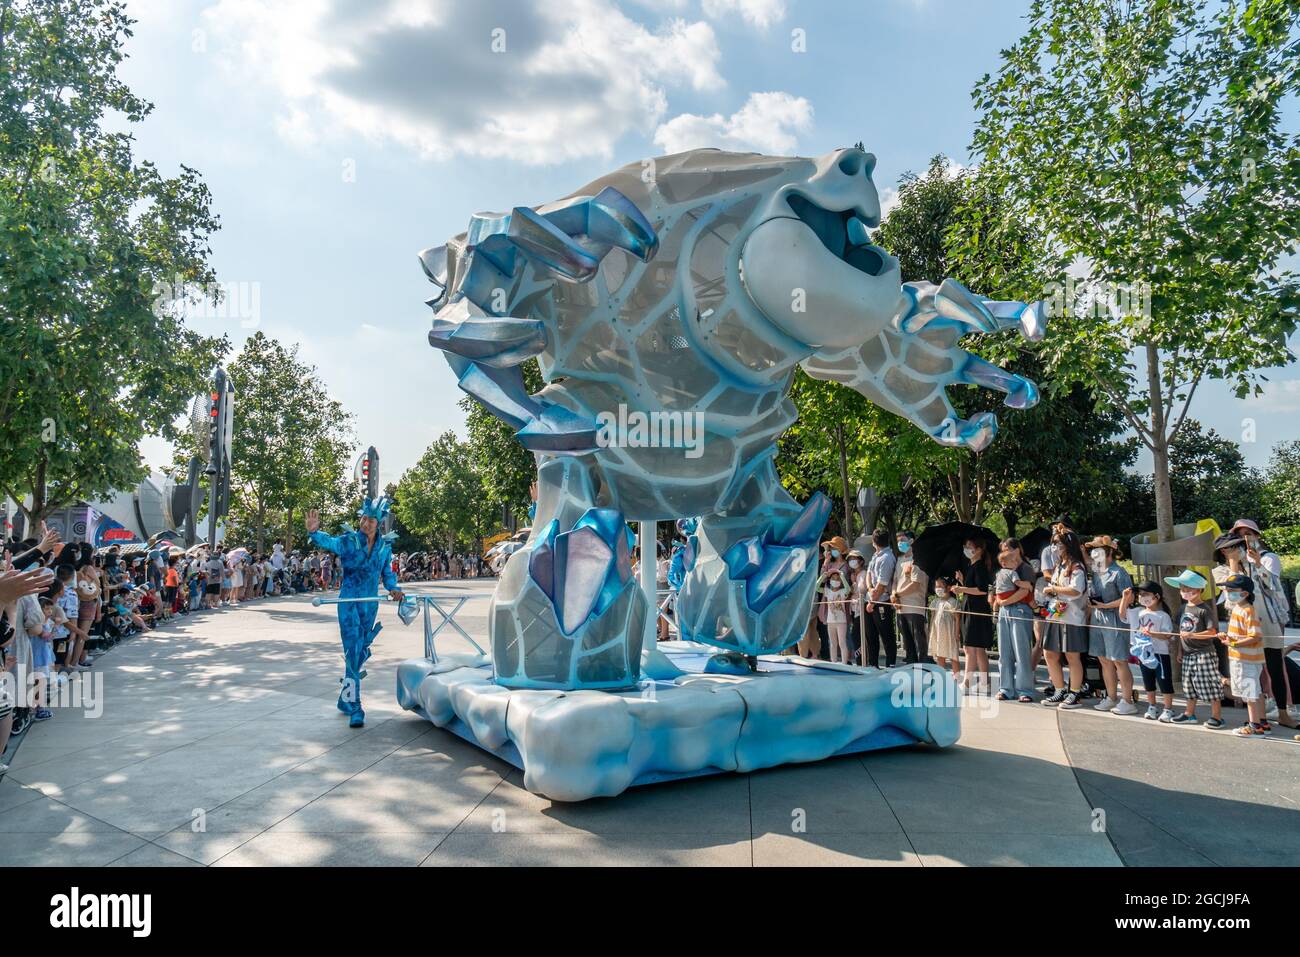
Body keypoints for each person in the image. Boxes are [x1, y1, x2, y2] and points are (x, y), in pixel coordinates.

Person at [306, 496, 404, 728]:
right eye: (363, 518)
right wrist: (314, 533)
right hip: (349, 602)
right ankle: (356, 705)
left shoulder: (384, 547)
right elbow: (331, 543)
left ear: (379, 523)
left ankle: (344, 698)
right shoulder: (349, 541)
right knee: (353, 649)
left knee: (360, 653)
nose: (365, 523)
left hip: (369, 604)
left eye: (371, 519)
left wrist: (394, 588)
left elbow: (387, 574)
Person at [1226, 520, 1296, 729]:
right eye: (1241, 536)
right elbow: (1231, 598)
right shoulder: (1235, 562)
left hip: (1268, 620)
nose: (1246, 539)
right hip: (1245, 621)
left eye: (1249, 534)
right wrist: (1233, 564)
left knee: (1275, 667)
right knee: (1250, 668)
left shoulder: (1268, 558)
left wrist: (1257, 564)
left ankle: (1283, 712)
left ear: (1258, 535)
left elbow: (1274, 586)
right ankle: (1257, 717)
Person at [1162, 570, 1223, 728]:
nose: (1186, 592)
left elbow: (1212, 632)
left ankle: (1216, 716)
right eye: (1183, 589)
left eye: (1190, 589)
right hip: (1188, 654)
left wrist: (1193, 635)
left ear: (1199, 590)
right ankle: (1189, 714)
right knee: (1188, 686)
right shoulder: (1183, 609)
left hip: (1204, 654)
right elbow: (1181, 634)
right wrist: (1180, 651)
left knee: (1210, 685)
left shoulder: (1204, 609)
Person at [1040, 531, 1090, 709]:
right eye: (1054, 543)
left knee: (1072, 656)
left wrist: (1053, 588)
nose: (1055, 547)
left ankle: (1074, 692)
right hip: (1055, 613)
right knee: (1049, 653)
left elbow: (1076, 590)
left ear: (1068, 546)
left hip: (1072, 616)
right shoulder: (1059, 566)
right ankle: (1059, 689)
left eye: (1058, 544)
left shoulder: (1077, 567)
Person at [1085, 535, 1134, 713]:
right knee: (1103, 659)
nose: (1093, 554)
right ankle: (1111, 697)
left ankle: (1127, 700)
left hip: (1115, 618)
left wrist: (1106, 605)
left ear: (1108, 553)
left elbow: (1129, 597)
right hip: (1098, 617)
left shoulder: (1118, 572)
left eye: (1097, 550)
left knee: (1119, 660)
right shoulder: (1096, 573)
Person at [1220, 573, 1268, 736]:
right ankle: (1262, 722)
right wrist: (1228, 637)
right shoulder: (1238, 608)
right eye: (1227, 590)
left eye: (1232, 590)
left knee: (1249, 693)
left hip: (1245, 660)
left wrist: (1233, 643)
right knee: (1255, 691)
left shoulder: (1247, 610)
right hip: (1243, 658)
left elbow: (1255, 636)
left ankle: (1254, 726)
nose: (1228, 593)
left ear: (1245, 593)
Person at [992, 538, 1036, 702]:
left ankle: (1025, 690)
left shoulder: (1025, 568)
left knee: (1022, 652)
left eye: (1006, 549)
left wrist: (1004, 602)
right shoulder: (1003, 570)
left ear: (1016, 550)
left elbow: (1025, 592)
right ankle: (1006, 688)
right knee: (1004, 652)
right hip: (1004, 611)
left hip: (1020, 610)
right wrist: (998, 604)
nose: (1003, 553)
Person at [953, 536, 994, 693]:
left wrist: (962, 589)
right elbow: (973, 587)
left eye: (969, 546)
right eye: (965, 545)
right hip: (971, 607)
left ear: (978, 550)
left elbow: (982, 590)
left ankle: (967, 683)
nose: (966, 549)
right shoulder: (972, 566)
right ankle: (985, 683)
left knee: (970, 647)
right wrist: (963, 581)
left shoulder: (980, 567)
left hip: (977, 611)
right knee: (977, 649)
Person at [890, 530, 929, 664]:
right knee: (907, 640)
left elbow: (915, 584)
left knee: (918, 638)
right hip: (901, 607)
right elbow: (895, 580)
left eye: (903, 540)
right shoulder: (900, 560)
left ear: (911, 541)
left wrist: (897, 594)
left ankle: (922, 663)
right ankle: (911, 662)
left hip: (914, 606)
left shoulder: (919, 559)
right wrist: (893, 594)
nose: (900, 543)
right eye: (899, 541)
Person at [862, 530, 896, 668]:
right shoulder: (875, 556)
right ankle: (873, 664)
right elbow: (868, 574)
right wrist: (870, 589)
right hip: (871, 597)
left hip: (881, 601)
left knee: (886, 634)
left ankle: (890, 664)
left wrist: (872, 601)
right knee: (871, 635)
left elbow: (882, 584)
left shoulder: (887, 557)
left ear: (874, 542)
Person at [928, 576, 961, 679]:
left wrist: (957, 632)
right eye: (936, 586)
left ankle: (956, 678)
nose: (937, 588)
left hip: (949, 632)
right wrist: (931, 630)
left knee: (953, 656)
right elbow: (933, 617)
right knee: (939, 655)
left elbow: (957, 619)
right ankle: (940, 677)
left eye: (940, 586)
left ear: (948, 587)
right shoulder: (935, 602)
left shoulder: (953, 602)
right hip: (938, 632)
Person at [822, 568, 852, 664]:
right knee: (832, 643)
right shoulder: (827, 591)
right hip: (830, 621)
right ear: (830, 581)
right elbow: (816, 587)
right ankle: (833, 662)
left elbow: (848, 589)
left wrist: (842, 576)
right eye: (833, 578)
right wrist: (823, 576)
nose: (835, 580)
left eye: (837, 579)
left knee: (842, 643)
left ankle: (844, 663)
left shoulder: (843, 591)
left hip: (841, 621)